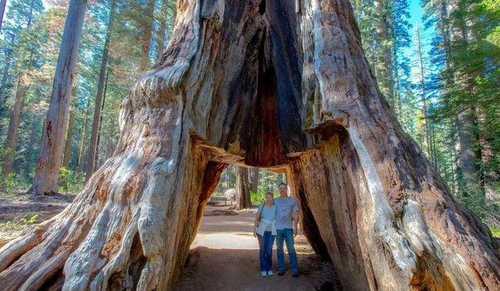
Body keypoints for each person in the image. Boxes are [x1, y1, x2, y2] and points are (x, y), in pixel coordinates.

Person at [275, 182, 300, 277]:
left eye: (284, 188)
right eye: (280, 188)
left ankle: (295, 270)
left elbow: (296, 214)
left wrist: (295, 227)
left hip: (288, 228)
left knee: (291, 249)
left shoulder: (292, 201)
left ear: (287, 189)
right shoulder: (275, 201)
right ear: (279, 190)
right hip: (278, 229)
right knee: (279, 249)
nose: (282, 190)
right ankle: (281, 269)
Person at [254, 191, 277, 277]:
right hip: (262, 231)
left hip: (272, 231)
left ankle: (269, 268)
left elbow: (279, 216)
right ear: (265, 198)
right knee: (263, 249)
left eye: (270, 197)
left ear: (272, 198)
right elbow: (256, 218)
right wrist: (254, 230)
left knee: (269, 250)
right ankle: (263, 269)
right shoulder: (262, 206)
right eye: (267, 197)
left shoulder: (275, 207)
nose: (268, 199)